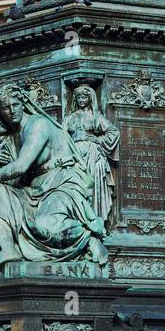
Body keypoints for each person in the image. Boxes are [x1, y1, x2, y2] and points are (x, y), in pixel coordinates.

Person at [0, 83, 107, 272]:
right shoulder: (13, 135)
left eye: (15, 105)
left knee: (44, 227)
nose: (12, 111)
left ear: (23, 103)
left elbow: (21, 166)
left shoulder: (38, 125)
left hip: (61, 185)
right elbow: (5, 169)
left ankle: (88, 238)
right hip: (32, 189)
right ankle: (9, 249)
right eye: (6, 108)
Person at [65, 83, 119, 226]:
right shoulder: (70, 118)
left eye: (84, 97)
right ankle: (77, 220)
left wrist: (98, 140)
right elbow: (61, 134)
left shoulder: (96, 117)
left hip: (92, 154)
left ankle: (95, 219)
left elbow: (113, 131)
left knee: (93, 185)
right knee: (75, 185)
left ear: (90, 99)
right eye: (78, 98)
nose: (81, 100)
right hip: (74, 154)